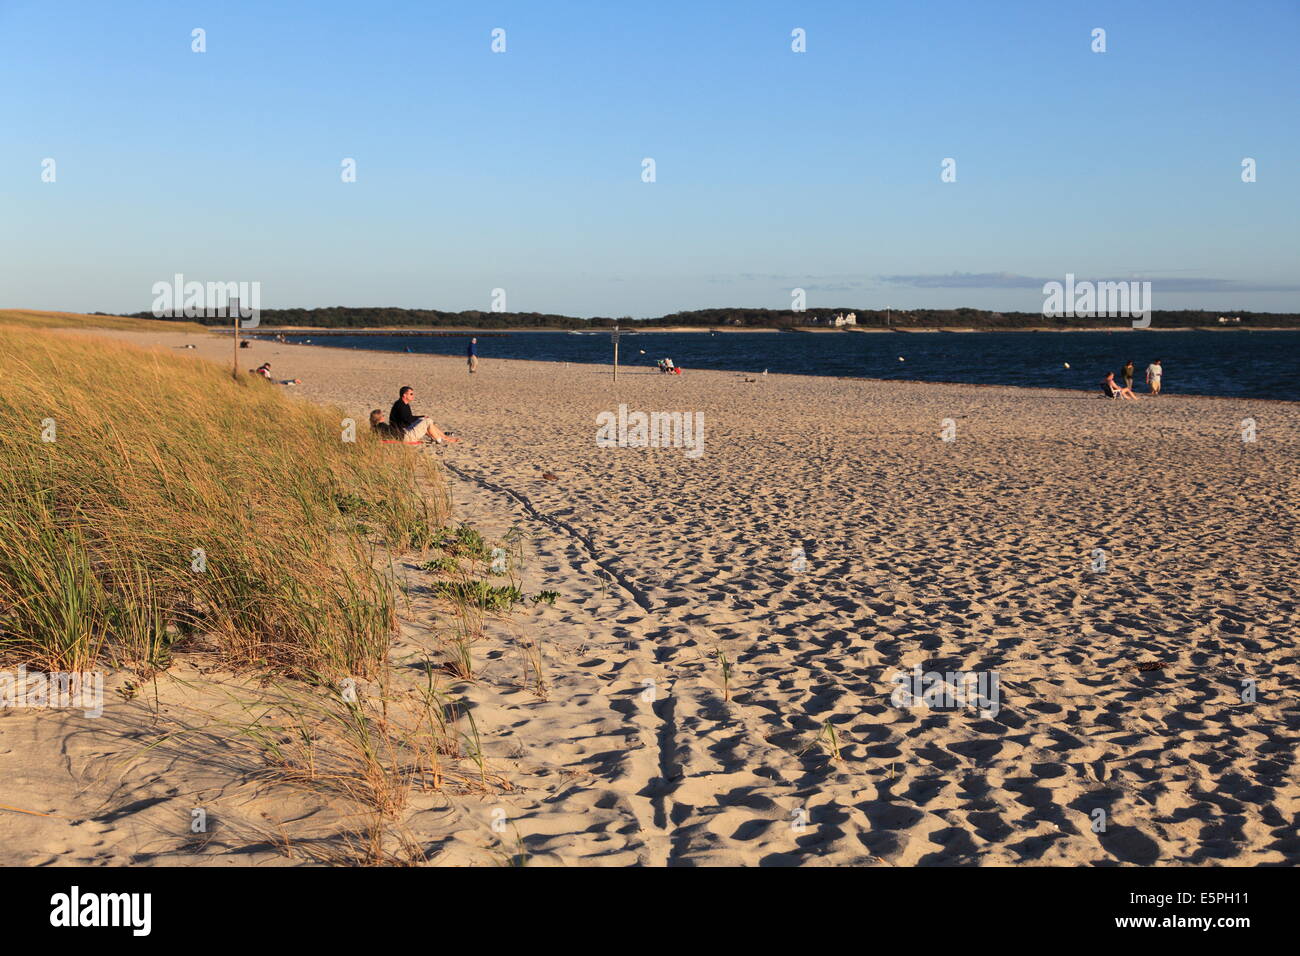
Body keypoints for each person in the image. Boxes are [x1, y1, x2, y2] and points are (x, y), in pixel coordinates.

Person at [388, 386, 462, 444]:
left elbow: (408, 419)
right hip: (404, 434)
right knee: (427, 421)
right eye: (411, 394)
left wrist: (421, 418)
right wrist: (421, 417)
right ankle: (441, 439)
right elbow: (408, 419)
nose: (413, 396)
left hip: (405, 431)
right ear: (404, 395)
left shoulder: (404, 404)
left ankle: (443, 437)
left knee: (424, 420)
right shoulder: (400, 405)